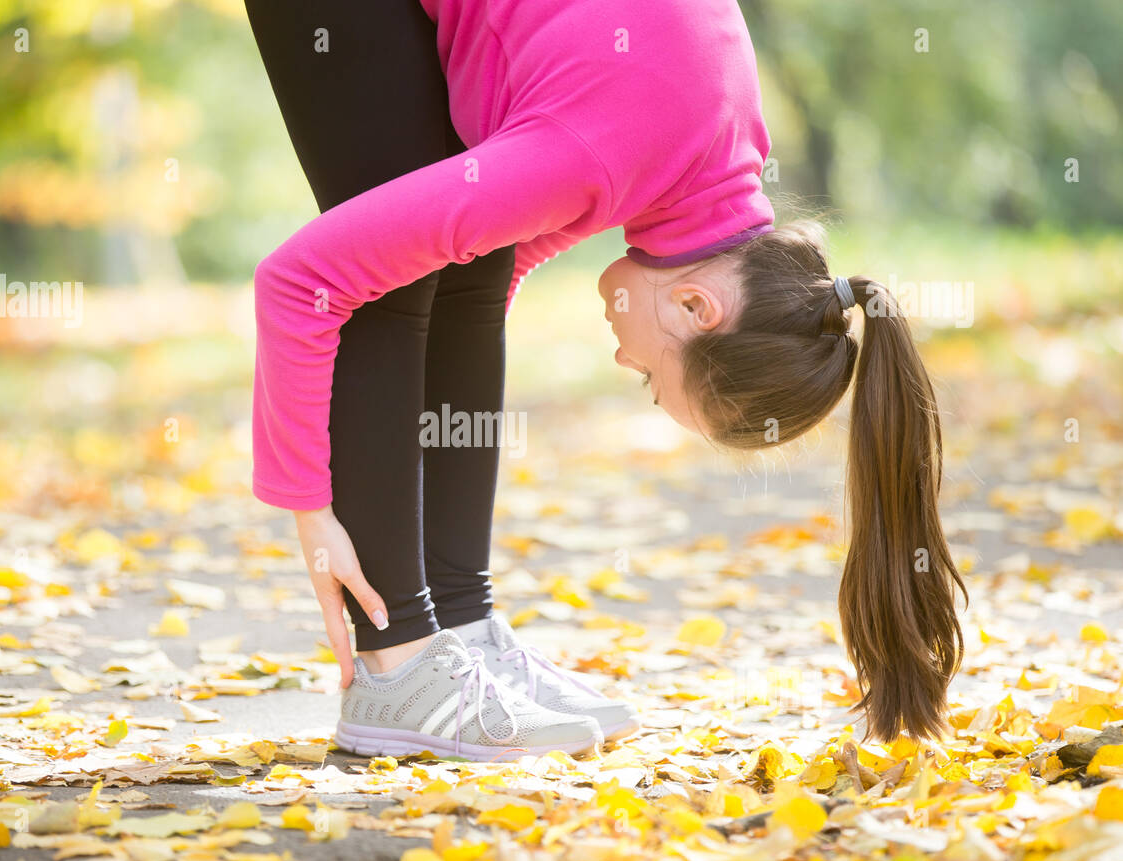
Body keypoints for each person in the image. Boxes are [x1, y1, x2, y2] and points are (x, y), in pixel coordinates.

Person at [243, 0, 967, 758]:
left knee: (462, 270)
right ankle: (399, 668)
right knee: (386, 282)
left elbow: (494, 252)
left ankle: (457, 625)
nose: (627, 363)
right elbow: (300, 281)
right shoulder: (590, 158)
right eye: (653, 378)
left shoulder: (718, 137)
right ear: (696, 305)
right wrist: (309, 506)